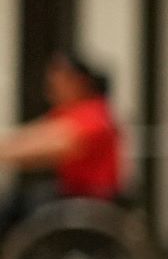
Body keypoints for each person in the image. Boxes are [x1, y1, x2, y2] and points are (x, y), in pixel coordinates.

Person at [0, 53, 126, 241]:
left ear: (78, 81)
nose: (50, 87)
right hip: (68, 194)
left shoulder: (95, 115)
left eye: (57, 80)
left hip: (88, 201)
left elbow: (53, 144)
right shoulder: (66, 113)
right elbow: (28, 137)